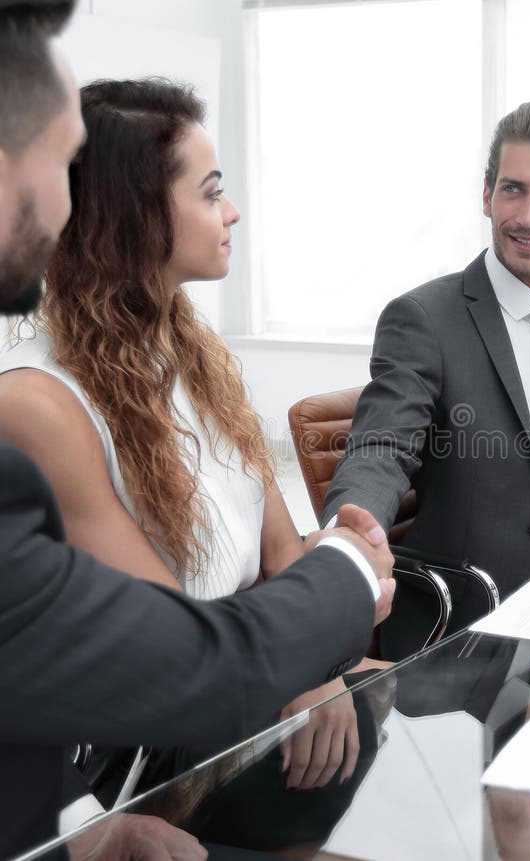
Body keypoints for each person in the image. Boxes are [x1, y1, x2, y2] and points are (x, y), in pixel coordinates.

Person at [0, 3, 394, 857]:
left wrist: (324, 669)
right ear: (133, 213)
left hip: (246, 691)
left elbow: (283, 552)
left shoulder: (199, 351)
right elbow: (175, 642)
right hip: (155, 754)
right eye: (211, 191)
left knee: (369, 712)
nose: (233, 211)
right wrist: (331, 614)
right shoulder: (38, 402)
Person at [323, 101, 530, 599]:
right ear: (487, 195)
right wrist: (349, 539)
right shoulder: (422, 318)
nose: (529, 217)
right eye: (513, 189)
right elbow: (382, 447)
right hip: (468, 610)